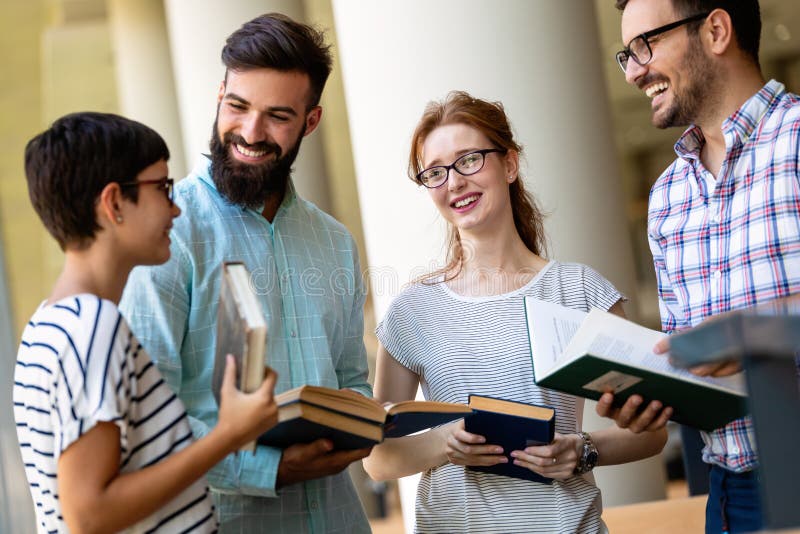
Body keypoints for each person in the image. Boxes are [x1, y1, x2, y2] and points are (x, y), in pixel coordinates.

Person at [361, 91, 667, 533]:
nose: (453, 182)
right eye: (436, 172)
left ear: (508, 164)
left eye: (469, 160)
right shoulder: (414, 309)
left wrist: (582, 450)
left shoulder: (579, 291)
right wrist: (446, 442)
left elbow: (652, 431)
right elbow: (377, 458)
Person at [120, 12, 372, 532]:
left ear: (311, 121)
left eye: (278, 116)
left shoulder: (336, 243)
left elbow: (352, 383)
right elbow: (148, 414)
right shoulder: (170, 233)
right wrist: (268, 468)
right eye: (237, 106)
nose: (250, 132)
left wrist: (363, 423)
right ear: (220, 95)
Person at [13, 112, 278, 533]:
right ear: (114, 201)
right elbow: (89, 513)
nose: (176, 208)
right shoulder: (92, 326)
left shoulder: (47, 325)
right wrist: (228, 434)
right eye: (163, 188)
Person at [602, 1, 800, 531]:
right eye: (626, 54)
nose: (632, 70)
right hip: (731, 499)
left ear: (715, 30)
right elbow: (692, 365)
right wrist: (653, 396)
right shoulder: (667, 198)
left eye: (646, 45)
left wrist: (761, 334)